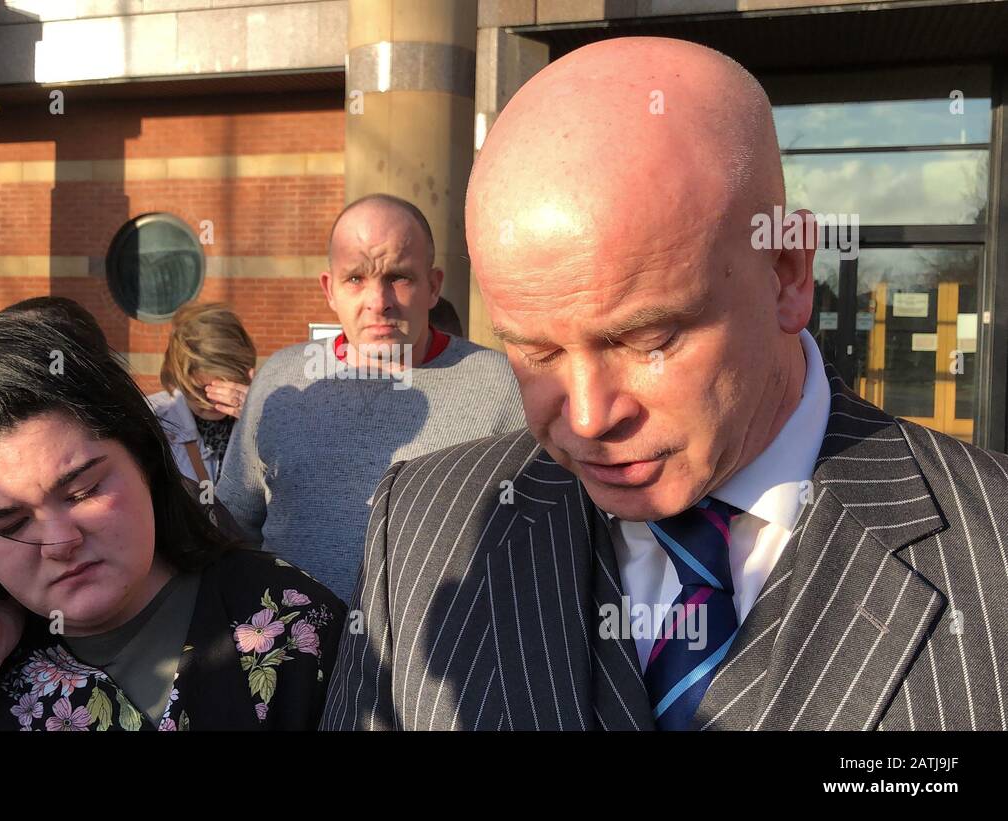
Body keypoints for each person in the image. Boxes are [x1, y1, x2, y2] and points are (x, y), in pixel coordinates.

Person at [323, 37, 1008, 731]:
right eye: (534, 350)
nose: (589, 416)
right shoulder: (416, 529)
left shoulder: (994, 553)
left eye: (649, 339)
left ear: (789, 272)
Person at [0, 308, 343, 731]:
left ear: (145, 459)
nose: (59, 541)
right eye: (8, 524)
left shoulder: (291, 621)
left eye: (84, 490)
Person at [216, 194, 527, 598]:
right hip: (295, 653)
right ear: (330, 289)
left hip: (436, 655)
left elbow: (535, 540)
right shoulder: (280, 380)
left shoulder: (503, 388)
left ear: (433, 287)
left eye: (399, 277)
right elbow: (231, 527)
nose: (378, 303)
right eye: (356, 279)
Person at [148, 302, 256, 486]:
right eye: (200, 390)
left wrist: (260, 423)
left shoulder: (269, 417)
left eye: (223, 388)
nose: (212, 402)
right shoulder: (152, 422)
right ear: (179, 377)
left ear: (246, 374)